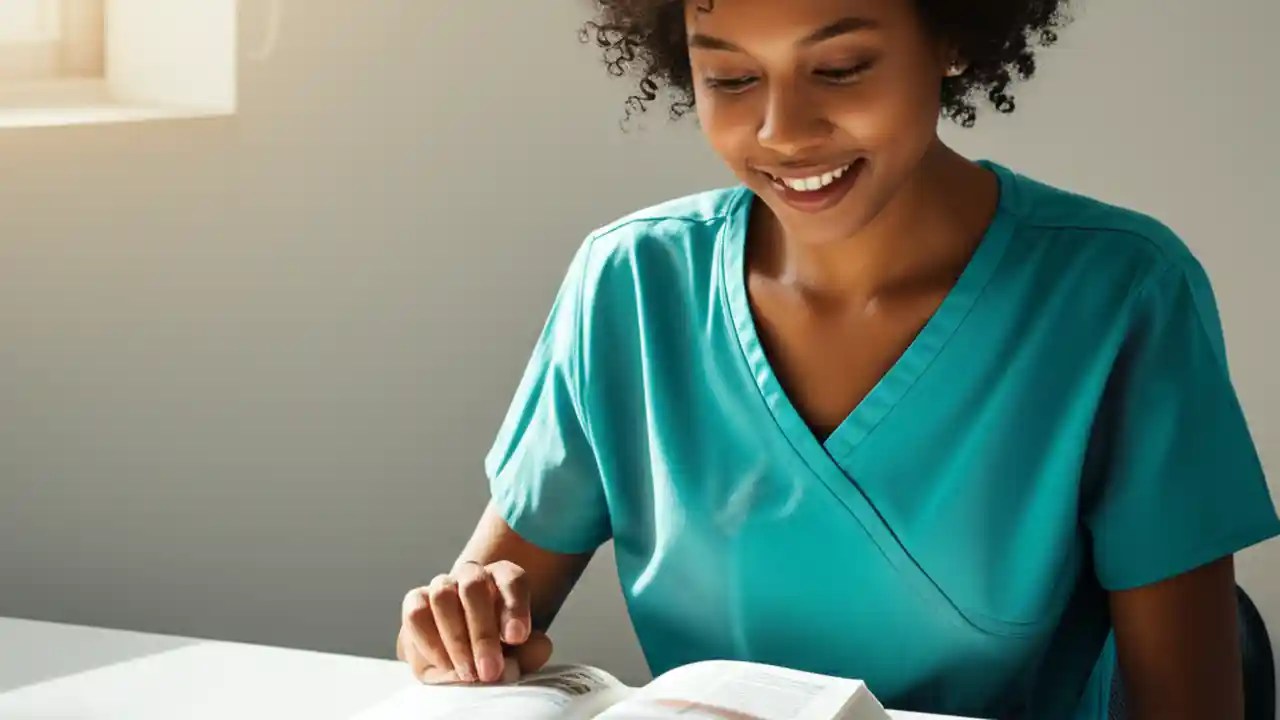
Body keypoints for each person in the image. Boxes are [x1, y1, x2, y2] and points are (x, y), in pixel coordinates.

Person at [395, 1, 1280, 718]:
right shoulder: (630, 284)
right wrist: (456, 628)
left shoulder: (1116, 293)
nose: (783, 130)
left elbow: (1189, 705)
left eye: (841, 69)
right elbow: (492, 609)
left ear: (952, 39)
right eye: (731, 77)